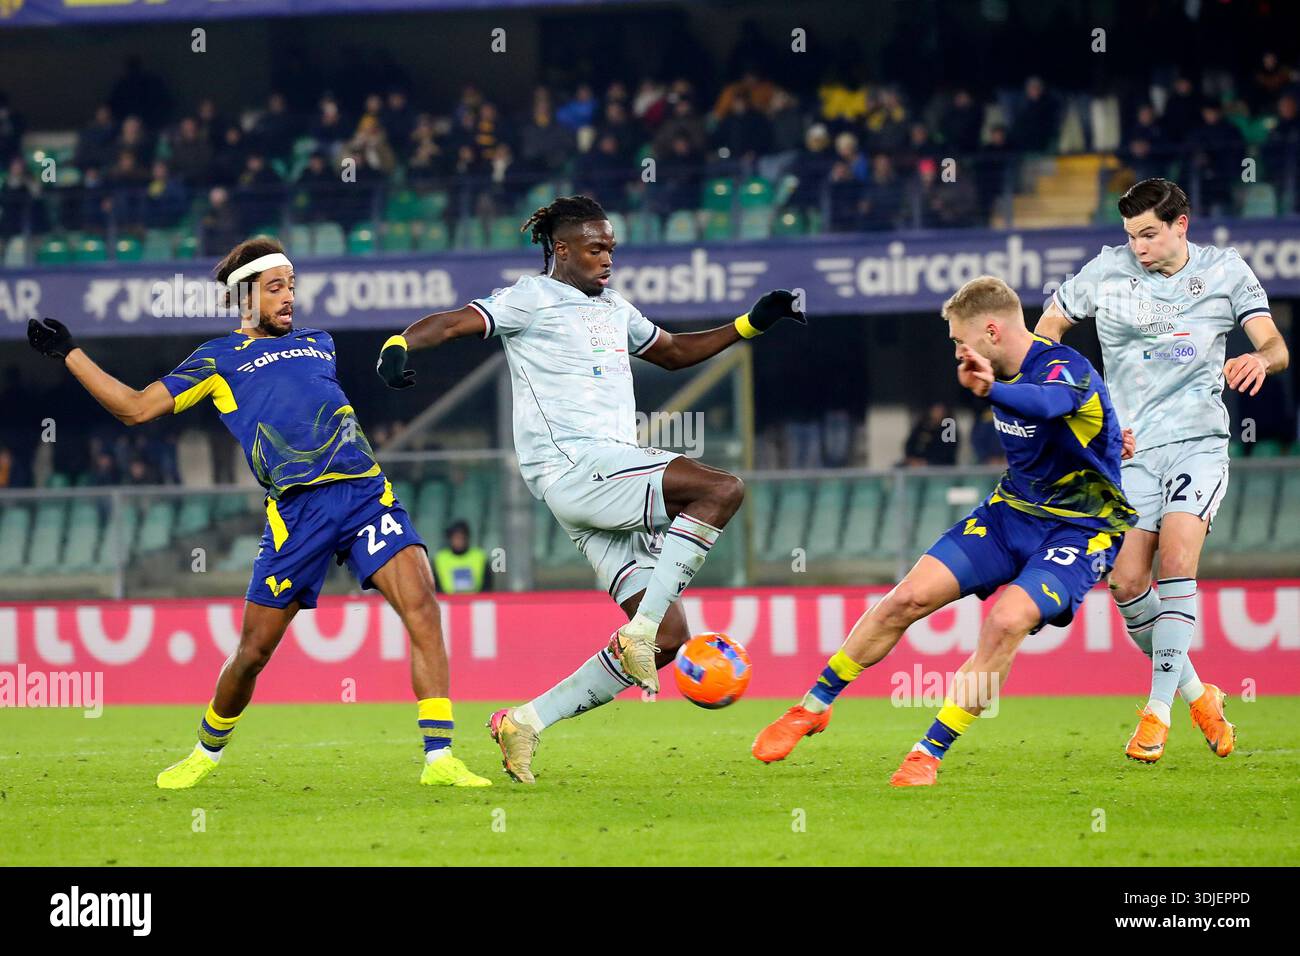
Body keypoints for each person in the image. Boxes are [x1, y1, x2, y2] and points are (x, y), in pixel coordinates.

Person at [26, 236, 490, 790]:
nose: (288, 297)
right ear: (245, 297)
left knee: (422, 605)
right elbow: (134, 408)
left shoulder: (321, 342)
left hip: (366, 495)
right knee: (252, 653)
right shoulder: (218, 359)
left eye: (291, 285)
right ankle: (206, 750)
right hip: (297, 514)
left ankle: (440, 759)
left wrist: (395, 365)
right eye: (275, 288)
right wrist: (70, 352)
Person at [376, 195, 805, 783]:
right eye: (596, 247)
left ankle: (524, 722)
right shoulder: (530, 298)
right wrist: (400, 342)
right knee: (722, 490)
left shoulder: (614, 308)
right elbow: (453, 323)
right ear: (562, 249)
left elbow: (675, 353)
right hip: (575, 466)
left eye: (611, 247)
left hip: (607, 480)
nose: (608, 258)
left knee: (668, 641)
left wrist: (749, 324)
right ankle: (637, 630)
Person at [752, 276, 1136, 786]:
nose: (956, 349)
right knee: (905, 599)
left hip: (1082, 530)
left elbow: (1048, 405)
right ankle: (813, 706)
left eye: (960, 339)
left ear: (992, 331)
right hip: (1010, 514)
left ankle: (927, 753)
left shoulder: (1064, 367)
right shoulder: (996, 366)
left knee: (1006, 621)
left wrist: (993, 389)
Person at [1036, 177, 1288, 762]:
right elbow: (1045, 334)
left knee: (1177, 557)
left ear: (1182, 225)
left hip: (1197, 442)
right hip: (1129, 450)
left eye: (1149, 233)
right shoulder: (1105, 271)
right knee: (1125, 582)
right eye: (1130, 235)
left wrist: (1259, 358)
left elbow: (1275, 345)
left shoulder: (1226, 271)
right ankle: (1200, 694)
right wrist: (1073, 400)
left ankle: (1157, 712)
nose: (1139, 246)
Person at [433, 519, 490, 594]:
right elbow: (435, 586)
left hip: (476, 602)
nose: (458, 541)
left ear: (467, 538)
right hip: (447, 602)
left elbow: (488, 586)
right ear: (450, 539)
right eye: (455, 537)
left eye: (461, 537)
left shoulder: (480, 556)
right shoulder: (440, 558)